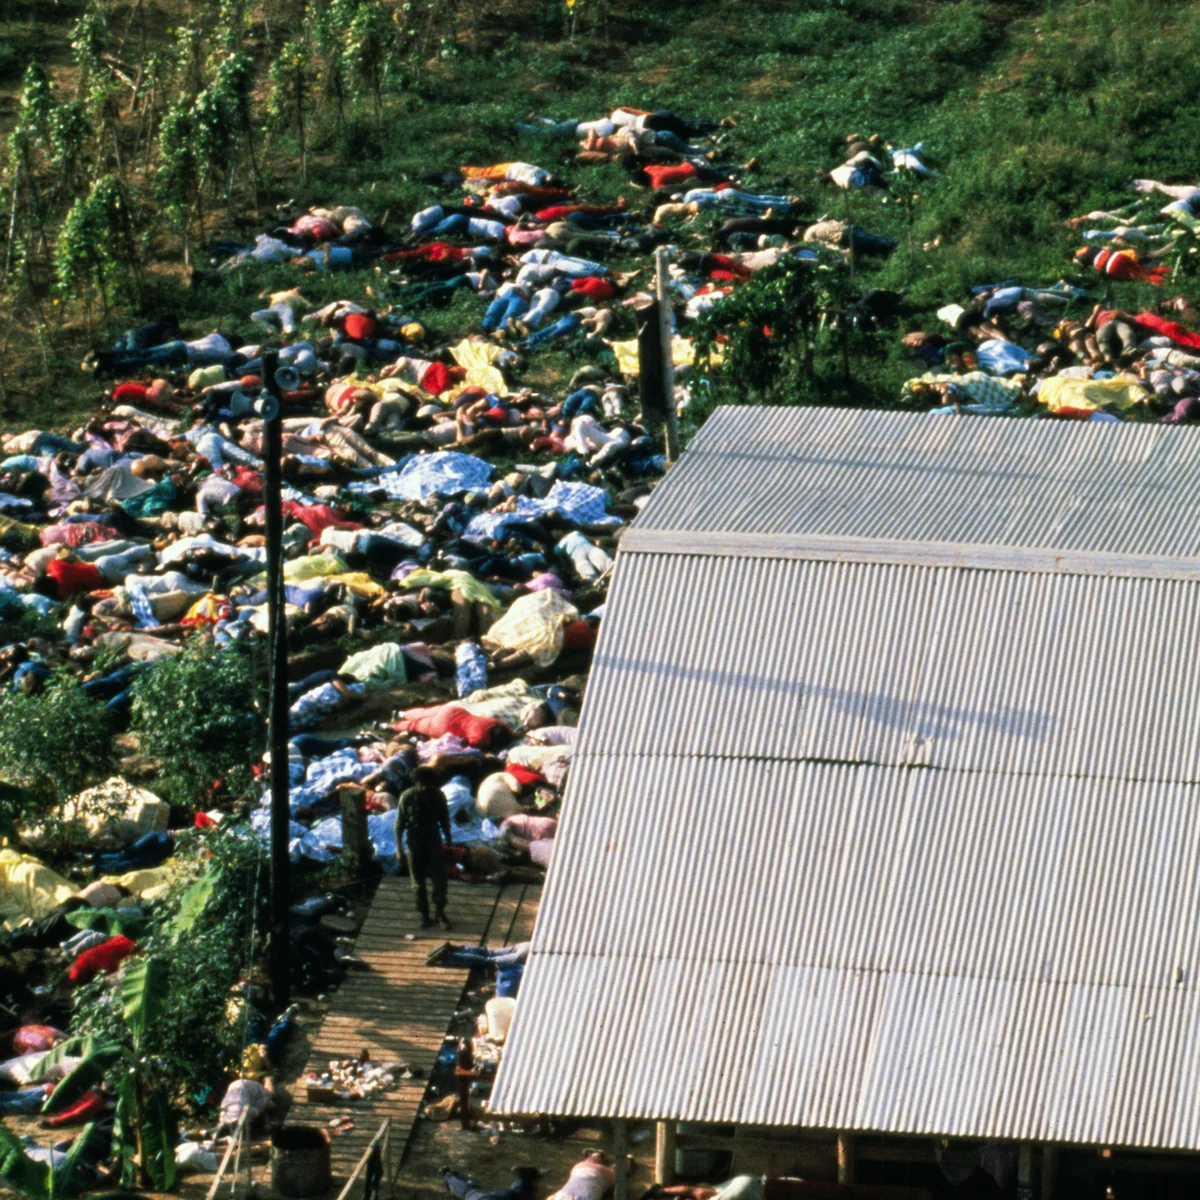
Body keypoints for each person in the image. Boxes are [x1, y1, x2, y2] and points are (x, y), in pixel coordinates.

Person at [396, 766, 452, 929]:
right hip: (414, 842)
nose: (425, 787)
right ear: (416, 783)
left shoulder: (438, 796)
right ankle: (424, 915)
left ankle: (440, 913)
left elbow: (445, 822)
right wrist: (399, 849)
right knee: (418, 883)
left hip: (433, 840)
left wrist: (449, 844)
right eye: (422, 784)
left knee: (439, 880)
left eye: (428, 783)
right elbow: (399, 825)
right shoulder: (407, 797)